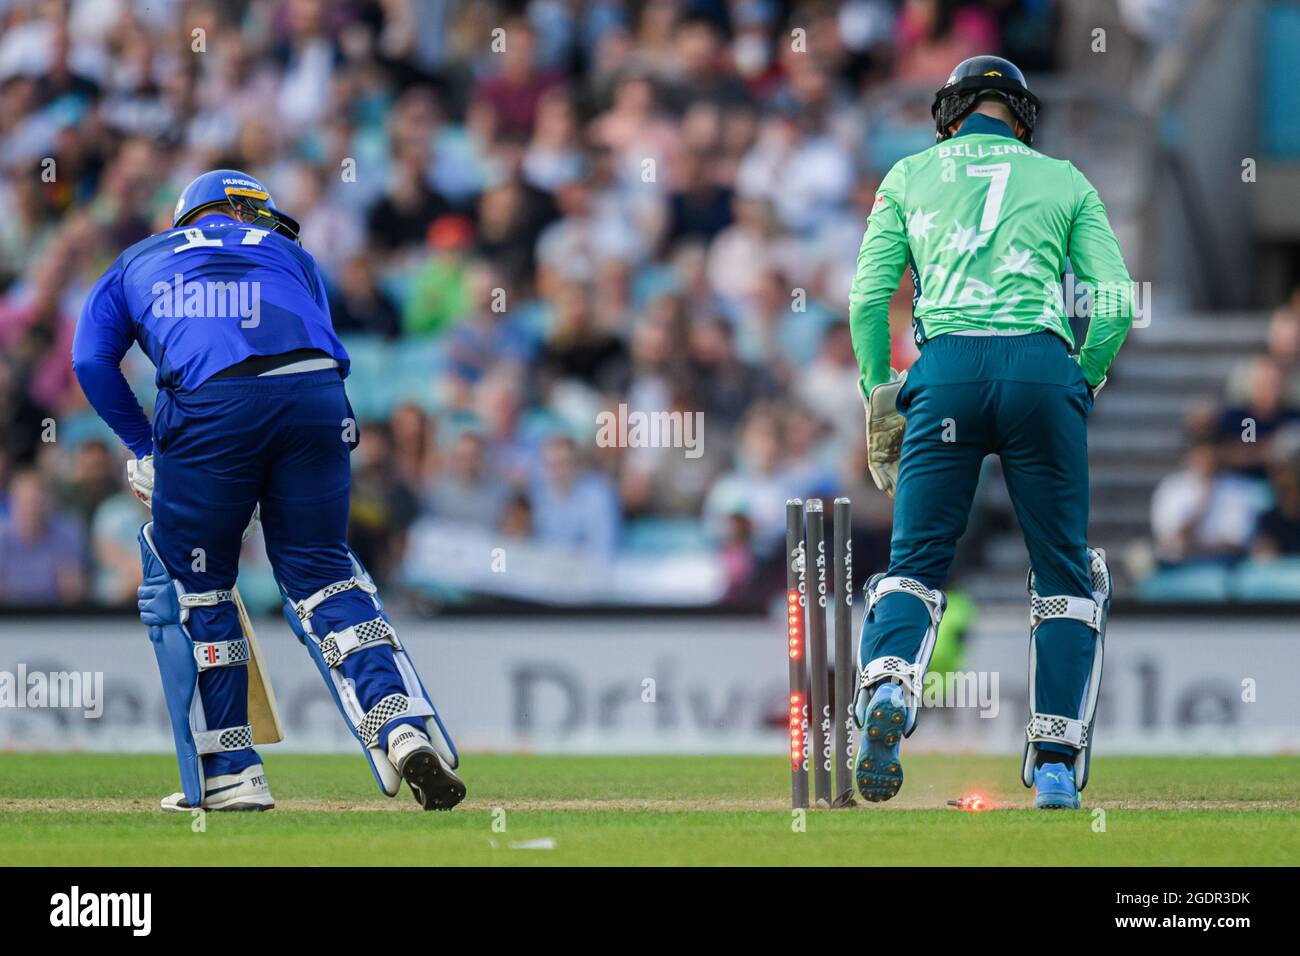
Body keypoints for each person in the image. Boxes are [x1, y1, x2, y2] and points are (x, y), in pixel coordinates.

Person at [71, 170, 465, 813]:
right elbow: (316, 341)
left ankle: (232, 771)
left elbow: (90, 361)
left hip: (210, 406)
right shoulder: (292, 254)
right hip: (317, 399)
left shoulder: (137, 258)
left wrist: (146, 449)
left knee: (197, 584)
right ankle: (399, 725)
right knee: (323, 576)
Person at [849, 57, 1133, 809]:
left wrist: (881, 393)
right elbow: (1113, 305)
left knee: (915, 564)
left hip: (945, 373)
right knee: (1068, 577)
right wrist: (1085, 378)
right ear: (1021, 118)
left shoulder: (910, 174)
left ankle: (891, 692)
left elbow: (869, 297)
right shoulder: (1065, 178)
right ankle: (1053, 768)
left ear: (950, 115)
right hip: (1042, 368)